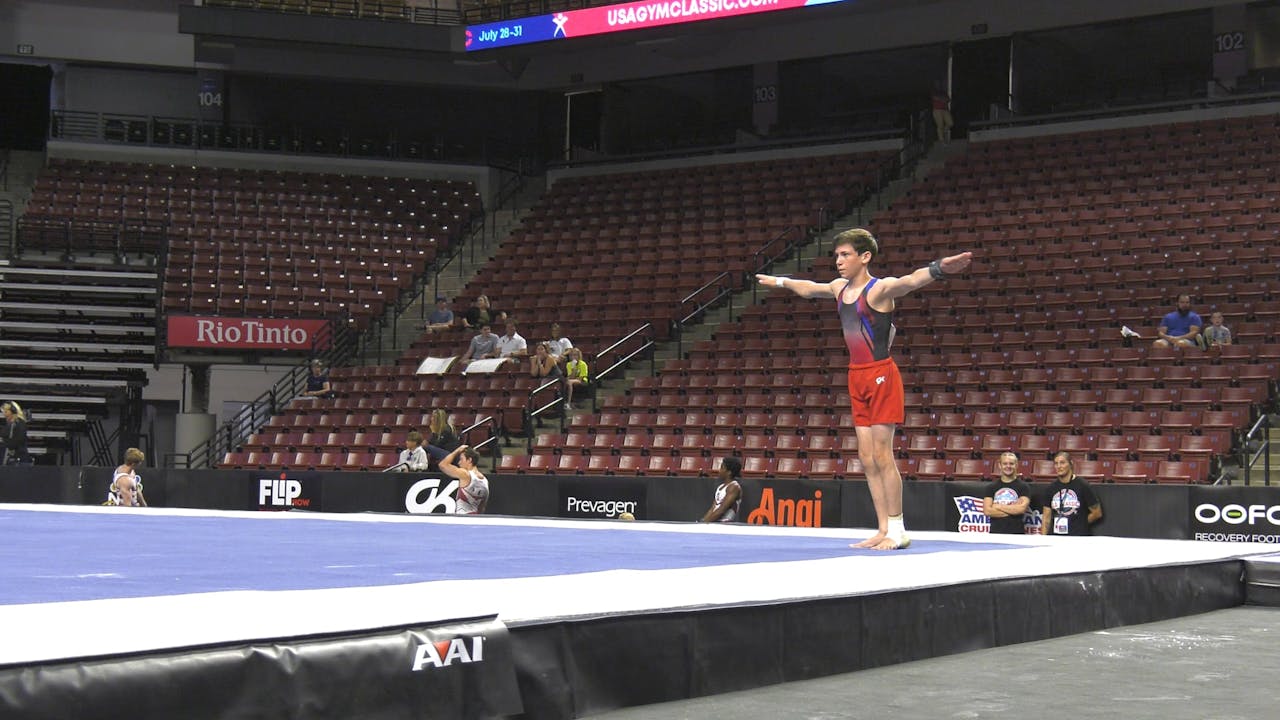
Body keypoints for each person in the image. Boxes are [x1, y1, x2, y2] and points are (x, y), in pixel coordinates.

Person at [756, 228, 972, 550]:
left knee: (883, 455)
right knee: (866, 457)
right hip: (856, 375)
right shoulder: (839, 288)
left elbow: (911, 281)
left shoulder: (879, 290)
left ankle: (899, 529)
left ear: (864, 256)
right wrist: (781, 282)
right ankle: (883, 527)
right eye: (837, 256)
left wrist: (939, 268)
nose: (839, 261)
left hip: (882, 375)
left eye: (845, 255)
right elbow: (810, 289)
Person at [1040, 451, 1103, 536]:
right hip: (1056, 537)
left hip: (1077, 537)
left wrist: (1080, 525)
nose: (1059, 466)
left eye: (1062, 463)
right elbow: (1046, 518)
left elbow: (1097, 513)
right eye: (1056, 463)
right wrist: (1043, 538)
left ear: (1071, 464)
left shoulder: (1082, 485)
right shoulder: (1051, 488)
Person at [983, 451, 1033, 535]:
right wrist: (1012, 510)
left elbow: (1021, 509)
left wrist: (998, 506)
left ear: (1016, 465)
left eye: (1011, 464)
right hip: (995, 533)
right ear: (1000, 465)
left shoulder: (1024, 487)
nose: (1008, 466)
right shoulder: (991, 487)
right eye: (1005, 464)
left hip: (1016, 533)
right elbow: (987, 511)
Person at [439, 445, 489, 515]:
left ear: (469, 460)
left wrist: (457, 451)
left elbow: (442, 465)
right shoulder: (485, 481)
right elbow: (482, 507)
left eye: (461, 459)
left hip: (462, 518)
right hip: (476, 518)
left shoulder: (465, 474)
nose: (459, 462)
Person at [700, 456, 743, 523]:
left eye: (722, 468)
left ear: (729, 472)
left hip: (726, 524)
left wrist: (706, 522)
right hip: (715, 523)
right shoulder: (720, 487)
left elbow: (722, 510)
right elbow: (712, 509)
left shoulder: (734, 487)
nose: (719, 470)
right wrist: (702, 521)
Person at [1, 401, 31, 465]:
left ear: (13, 411)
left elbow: (18, 440)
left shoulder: (20, 423)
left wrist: (4, 441)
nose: (4, 414)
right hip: (10, 457)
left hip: (20, 458)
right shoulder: (9, 424)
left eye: (6, 411)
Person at [564, 346, 590, 411]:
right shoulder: (569, 364)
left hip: (582, 381)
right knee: (567, 382)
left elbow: (580, 378)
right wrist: (574, 368)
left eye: (575, 355)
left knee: (569, 382)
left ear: (579, 356)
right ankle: (566, 402)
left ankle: (568, 403)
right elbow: (571, 376)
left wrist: (572, 377)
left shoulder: (583, 364)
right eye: (572, 355)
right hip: (572, 380)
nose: (573, 357)